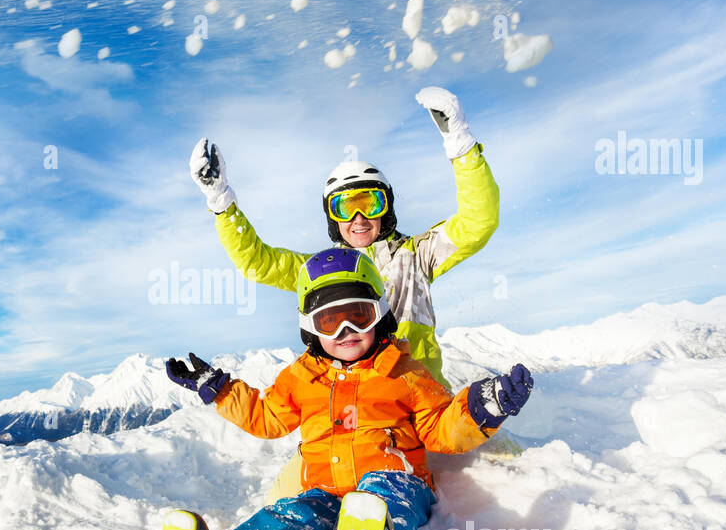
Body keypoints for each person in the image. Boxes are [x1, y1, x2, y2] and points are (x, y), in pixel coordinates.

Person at [159, 247, 533, 530]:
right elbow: (267, 418)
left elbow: (441, 430)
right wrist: (222, 391)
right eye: (330, 321)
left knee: (379, 497)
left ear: (380, 314)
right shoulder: (301, 378)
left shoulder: (405, 373)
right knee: (287, 517)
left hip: (396, 484)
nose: (345, 332)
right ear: (311, 329)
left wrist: (480, 410)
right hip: (324, 491)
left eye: (358, 315)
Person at [189, 87, 505, 503]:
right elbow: (258, 263)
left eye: (369, 203)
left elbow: (478, 222)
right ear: (331, 218)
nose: (358, 219)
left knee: (503, 475)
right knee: (284, 501)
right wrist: (220, 202)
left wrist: (460, 143)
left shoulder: (415, 255)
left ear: (386, 208)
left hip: (414, 412)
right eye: (344, 207)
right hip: (339, 418)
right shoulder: (320, 273)